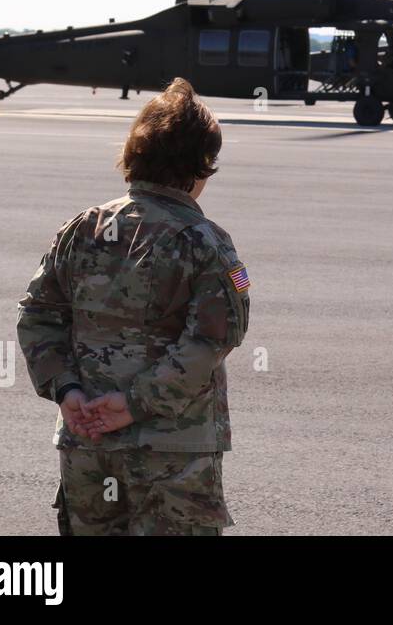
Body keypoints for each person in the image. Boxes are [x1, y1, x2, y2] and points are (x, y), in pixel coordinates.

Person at [16, 77, 250, 535]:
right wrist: (135, 403)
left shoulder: (82, 229)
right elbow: (213, 338)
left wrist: (68, 391)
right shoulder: (204, 242)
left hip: (89, 442)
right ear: (201, 165)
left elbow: (37, 315)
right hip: (172, 452)